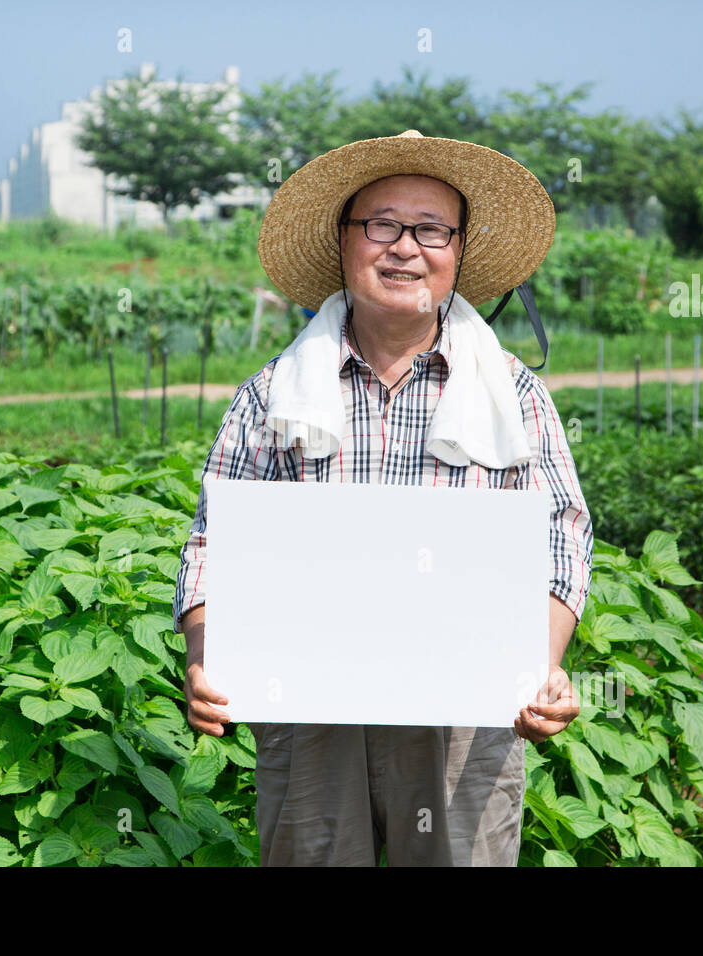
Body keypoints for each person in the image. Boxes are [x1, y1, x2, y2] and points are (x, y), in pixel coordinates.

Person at [172, 130, 593, 866]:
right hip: (310, 714)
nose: (405, 247)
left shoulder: (515, 396)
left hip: (464, 720)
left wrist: (541, 663)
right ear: (343, 242)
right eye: (382, 225)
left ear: (457, 251)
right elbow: (215, 541)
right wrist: (206, 656)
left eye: (431, 229)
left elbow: (563, 535)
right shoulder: (273, 396)